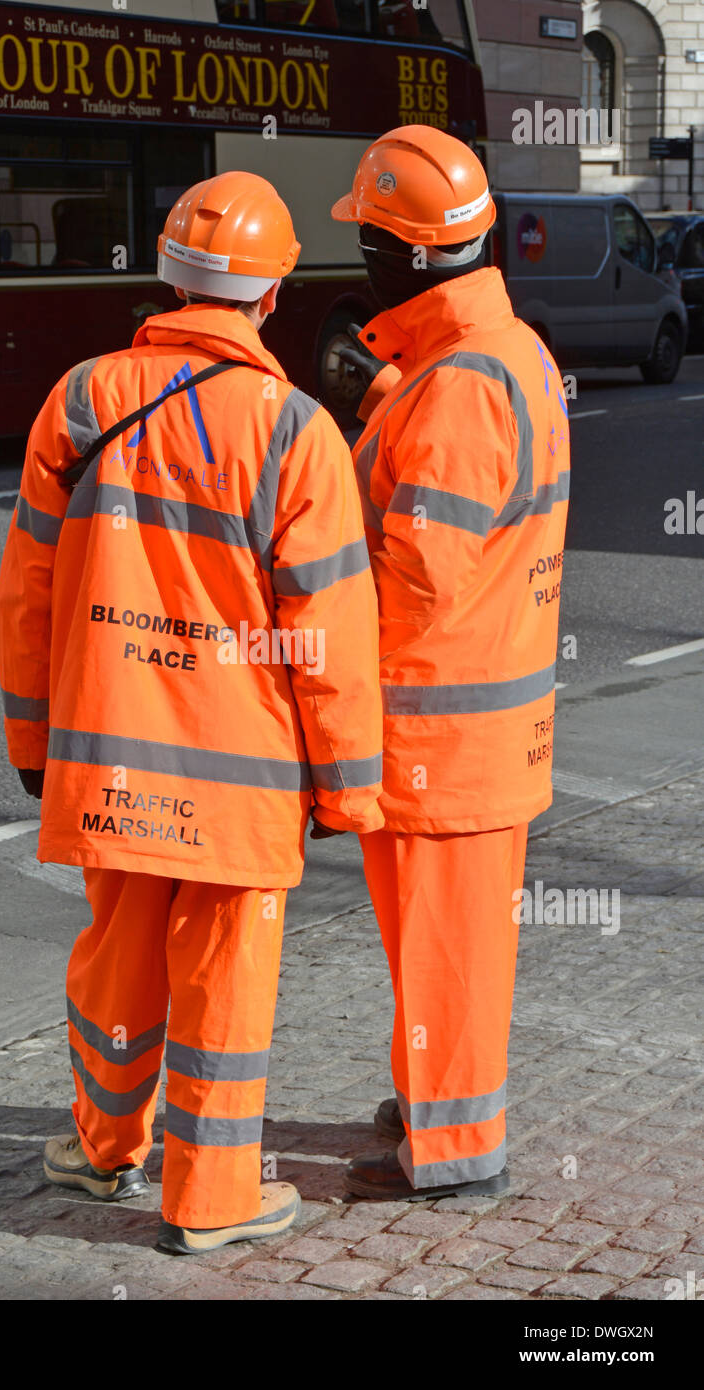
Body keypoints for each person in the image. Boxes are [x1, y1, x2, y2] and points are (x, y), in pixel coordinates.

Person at [0, 171, 384, 1253]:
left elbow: (24, 589)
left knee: (118, 950)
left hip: (110, 753)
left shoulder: (79, 399)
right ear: (268, 301)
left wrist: (33, 738)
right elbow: (331, 635)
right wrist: (347, 784)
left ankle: (100, 1148)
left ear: (166, 282)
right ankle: (211, 1197)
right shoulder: (296, 433)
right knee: (224, 972)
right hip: (240, 770)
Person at [330, 127, 570, 1200]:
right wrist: (384, 398)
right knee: (436, 947)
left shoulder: (462, 382)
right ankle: (431, 1102)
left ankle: (454, 1148)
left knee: (449, 956)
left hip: (443, 735)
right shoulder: (476, 357)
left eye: (371, 238)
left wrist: (312, 650)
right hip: (460, 729)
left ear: (410, 257)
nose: (360, 256)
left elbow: (415, 571)